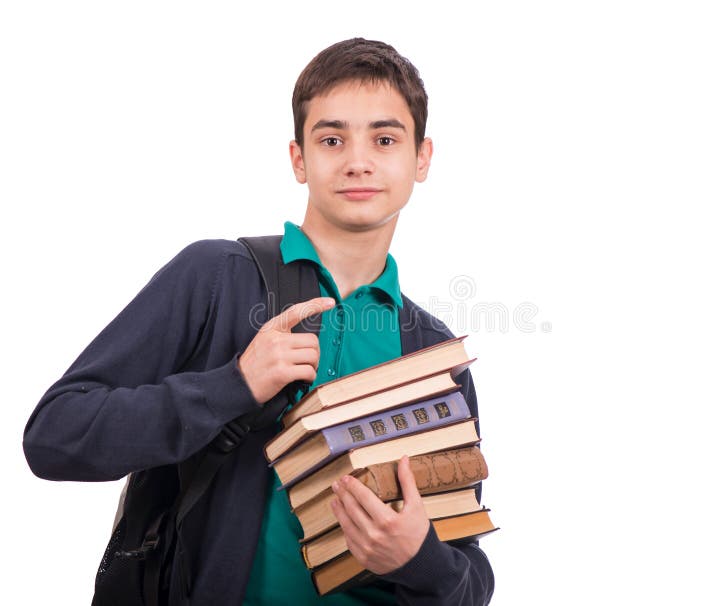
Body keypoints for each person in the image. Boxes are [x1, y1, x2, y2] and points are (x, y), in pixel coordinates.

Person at [23, 38, 494, 605]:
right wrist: (232, 386)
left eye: (386, 138)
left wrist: (420, 560)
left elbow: (469, 577)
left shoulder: (433, 353)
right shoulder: (217, 277)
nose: (358, 160)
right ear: (299, 158)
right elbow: (54, 436)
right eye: (332, 139)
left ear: (422, 159)